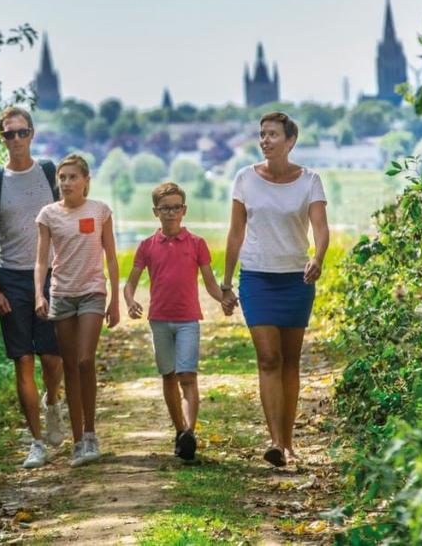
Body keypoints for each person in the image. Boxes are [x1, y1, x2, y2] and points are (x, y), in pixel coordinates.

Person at [223, 111, 329, 468]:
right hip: (256, 278)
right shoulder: (245, 179)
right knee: (269, 358)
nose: (265, 140)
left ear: (290, 141)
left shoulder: (310, 181)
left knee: (290, 361)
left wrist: (318, 257)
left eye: (272, 135)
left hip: (296, 280)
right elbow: (236, 233)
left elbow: (320, 228)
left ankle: (289, 440)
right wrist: (226, 282)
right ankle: (275, 443)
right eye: (262, 134)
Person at [0, 106, 65, 469]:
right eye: (9, 134)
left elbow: (68, 219)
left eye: (21, 132)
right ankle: (37, 442)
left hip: (52, 275)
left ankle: (53, 400)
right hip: (11, 277)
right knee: (23, 360)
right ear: (2, 137)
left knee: (52, 358)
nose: (16, 140)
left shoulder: (48, 173)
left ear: (32, 134)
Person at [123, 181, 235, 462]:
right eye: (165, 209)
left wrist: (223, 297)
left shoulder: (196, 243)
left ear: (184, 210)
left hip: (188, 320)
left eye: (176, 208)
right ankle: (180, 432)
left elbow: (209, 283)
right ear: (155, 212)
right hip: (159, 319)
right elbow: (130, 283)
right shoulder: (147, 246)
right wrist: (130, 301)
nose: (171, 213)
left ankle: (189, 432)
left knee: (188, 375)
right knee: (169, 376)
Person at [34, 154, 120, 467]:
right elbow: (41, 260)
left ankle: (92, 434)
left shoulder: (99, 211)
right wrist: (38, 296)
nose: (67, 183)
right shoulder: (48, 215)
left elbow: (111, 256)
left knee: (85, 360)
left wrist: (115, 300)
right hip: (61, 295)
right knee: (69, 366)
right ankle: (78, 440)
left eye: (72, 177)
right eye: (62, 177)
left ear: (85, 180)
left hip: (92, 294)